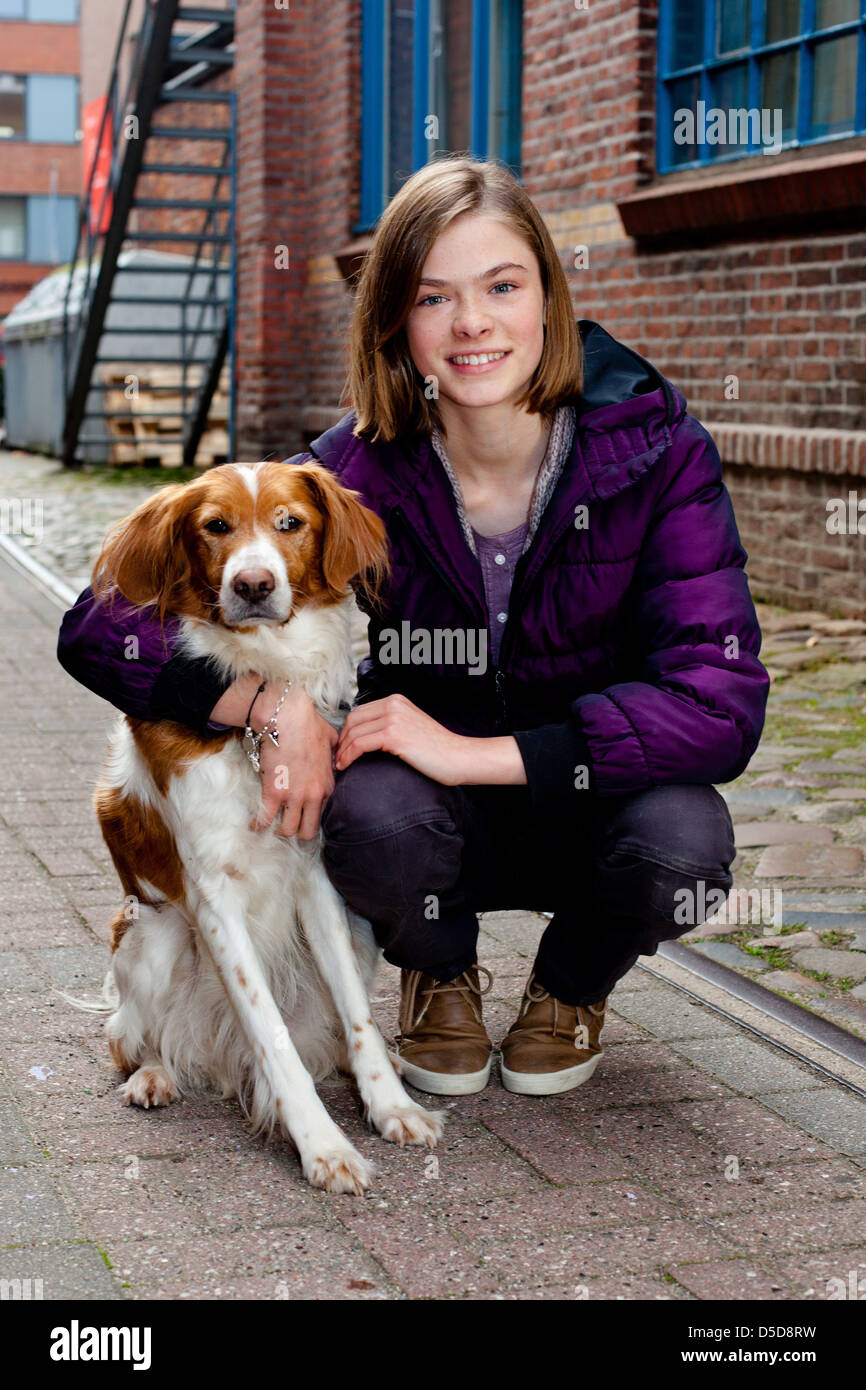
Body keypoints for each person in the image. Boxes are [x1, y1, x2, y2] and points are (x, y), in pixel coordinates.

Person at [57, 155, 769, 1100]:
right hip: (425, 828)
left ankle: (568, 992)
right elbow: (94, 626)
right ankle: (437, 974)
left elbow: (720, 705)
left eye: (502, 287)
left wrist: (473, 750)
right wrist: (266, 701)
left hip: (595, 800)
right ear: (397, 321)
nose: (472, 323)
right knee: (369, 814)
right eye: (435, 298)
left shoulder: (656, 450)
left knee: (687, 841)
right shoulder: (357, 470)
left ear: (547, 299)